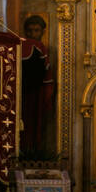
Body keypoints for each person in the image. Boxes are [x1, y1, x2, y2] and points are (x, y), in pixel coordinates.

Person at [19, 14, 55, 150]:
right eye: (30, 30)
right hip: (22, 93)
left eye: (36, 30)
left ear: (43, 32)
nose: (33, 34)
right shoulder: (23, 46)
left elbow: (46, 75)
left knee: (35, 125)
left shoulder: (41, 48)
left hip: (36, 93)